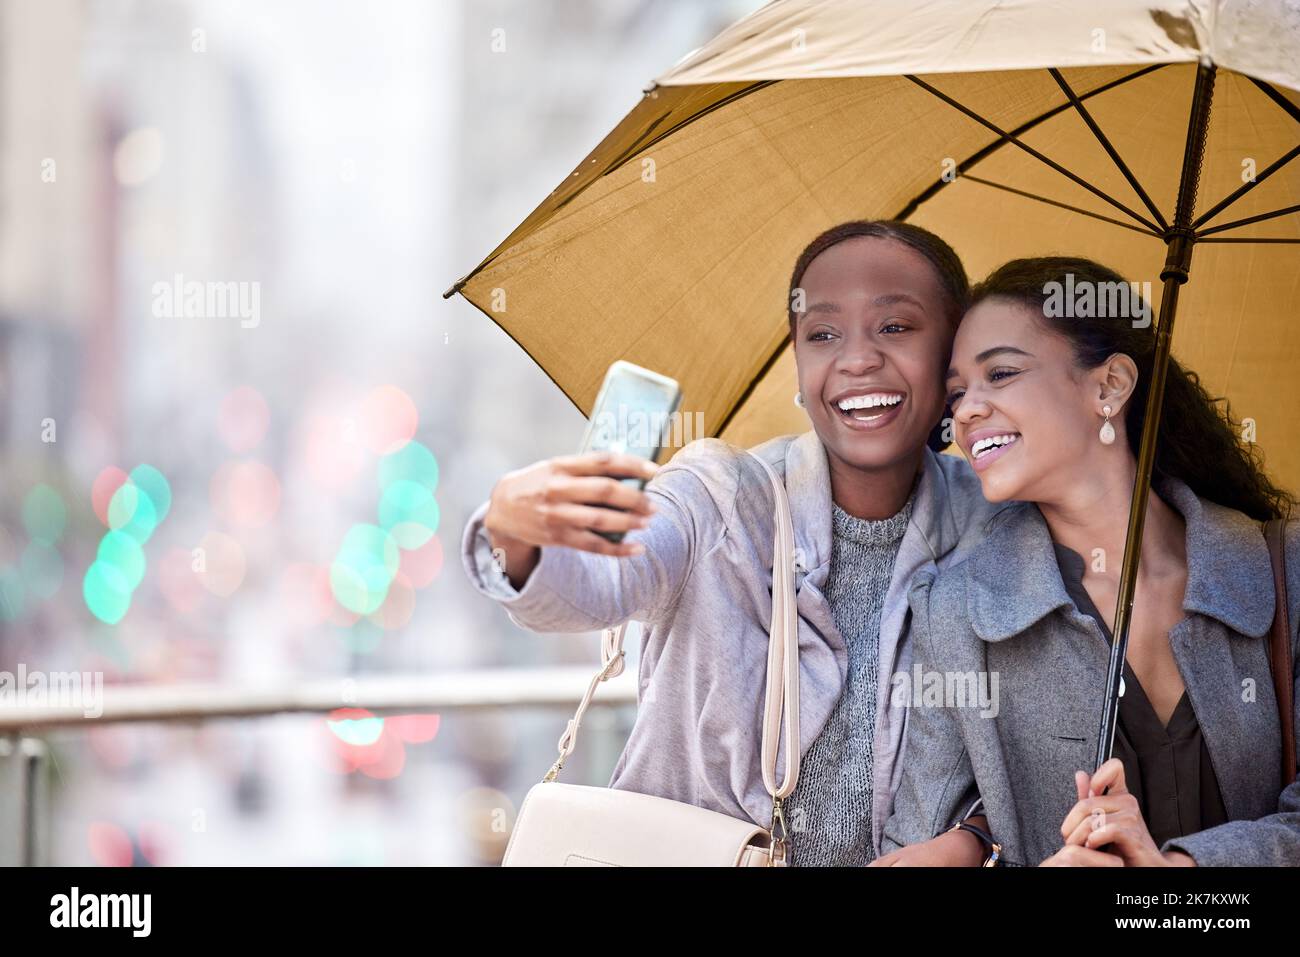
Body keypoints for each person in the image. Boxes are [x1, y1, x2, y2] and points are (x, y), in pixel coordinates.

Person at [460, 220, 1000, 865]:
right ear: (800, 370)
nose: (857, 359)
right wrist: (514, 533)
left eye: (895, 327)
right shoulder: (717, 493)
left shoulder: (994, 519)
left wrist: (973, 840)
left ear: (953, 359)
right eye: (822, 334)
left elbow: (1034, 748)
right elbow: (593, 587)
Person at [878, 256, 1300, 866]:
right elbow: (917, 841)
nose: (966, 411)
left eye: (1000, 373)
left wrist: (1174, 875)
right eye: (957, 394)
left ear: (1109, 386)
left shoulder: (1282, 570)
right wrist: (976, 846)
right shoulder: (958, 615)